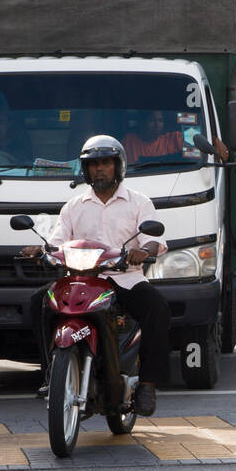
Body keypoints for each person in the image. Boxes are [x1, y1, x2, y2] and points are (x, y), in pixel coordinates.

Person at [24, 135, 171, 415]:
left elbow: (154, 239)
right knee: (37, 301)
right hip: (81, 281)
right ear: (85, 169)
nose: (99, 169)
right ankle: (50, 375)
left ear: (118, 166)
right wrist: (40, 249)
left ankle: (149, 385)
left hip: (124, 279)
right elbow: (57, 242)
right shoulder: (74, 206)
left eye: (105, 163)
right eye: (93, 165)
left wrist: (144, 250)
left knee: (158, 307)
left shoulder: (138, 202)